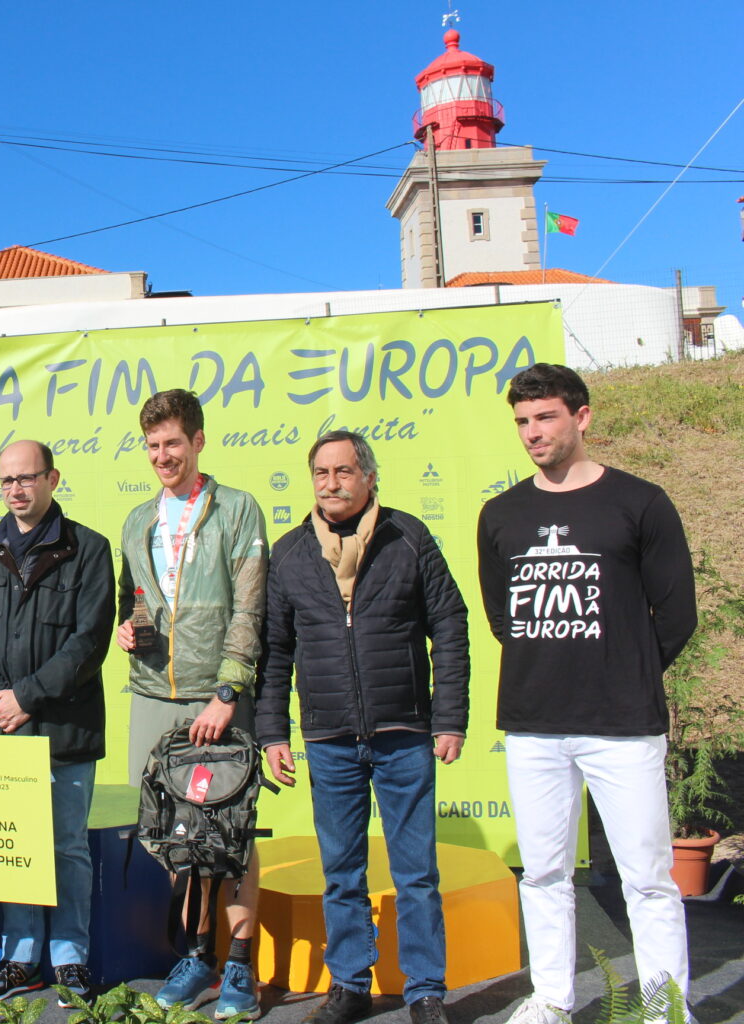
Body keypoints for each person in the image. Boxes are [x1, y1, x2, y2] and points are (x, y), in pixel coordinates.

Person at [477, 364, 697, 1024]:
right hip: (533, 724)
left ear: (583, 417)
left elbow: (677, 613)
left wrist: (621, 673)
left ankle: (665, 1009)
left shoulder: (640, 503)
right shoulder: (502, 514)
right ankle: (552, 1000)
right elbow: (502, 616)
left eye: (544, 417)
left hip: (623, 726)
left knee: (648, 879)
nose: (532, 432)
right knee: (543, 875)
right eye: (521, 421)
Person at [255, 431, 468, 1024]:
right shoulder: (291, 552)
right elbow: (274, 651)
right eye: (321, 473)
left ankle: (426, 989)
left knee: (416, 872)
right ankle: (349, 984)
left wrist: (449, 717)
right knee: (341, 871)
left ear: (369, 477)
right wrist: (273, 732)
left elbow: (449, 624)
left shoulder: (408, 538)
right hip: (328, 740)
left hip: (404, 733)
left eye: (344, 471)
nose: (332, 483)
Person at [115, 389, 268, 1020]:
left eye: (172, 442)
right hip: (154, 693)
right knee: (174, 835)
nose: (162, 456)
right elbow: (139, 601)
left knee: (228, 833)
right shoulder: (135, 521)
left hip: (215, 697)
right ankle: (197, 955)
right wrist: (131, 627)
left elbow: (249, 607)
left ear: (198, 440)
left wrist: (228, 690)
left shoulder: (237, 510)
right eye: (152, 445)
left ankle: (239, 965)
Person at [0, 441, 114, 1006]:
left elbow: (89, 640)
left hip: (64, 729)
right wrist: (0, 701)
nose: (16, 489)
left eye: (27, 478)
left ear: (52, 478)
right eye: (6, 480)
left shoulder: (89, 549)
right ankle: (20, 957)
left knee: (68, 847)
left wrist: (27, 696)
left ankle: (70, 958)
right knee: (13, 849)